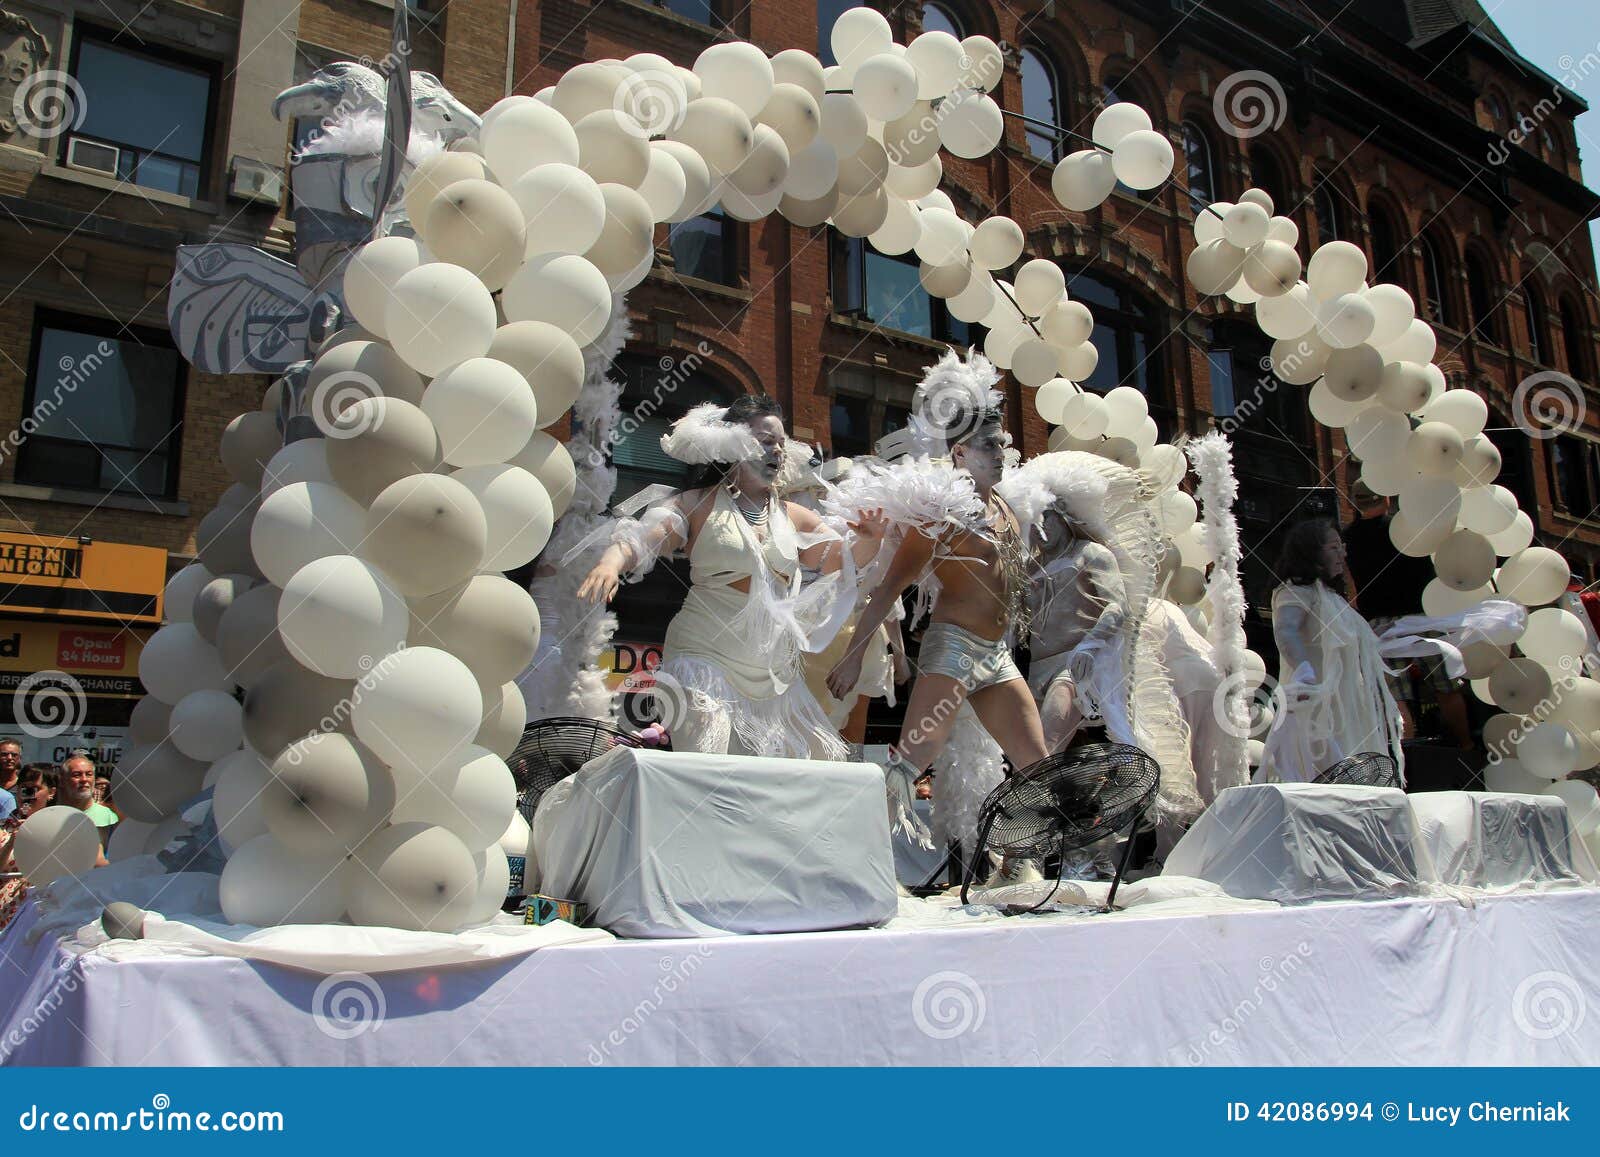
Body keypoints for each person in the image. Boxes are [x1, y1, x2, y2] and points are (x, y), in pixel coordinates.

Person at [579, 396, 885, 759]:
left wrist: (871, 538)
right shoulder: (696, 503)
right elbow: (641, 539)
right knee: (708, 762)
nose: (777, 452)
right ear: (733, 444)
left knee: (816, 762)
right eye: (766, 441)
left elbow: (843, 561)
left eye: (781, 445)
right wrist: (609, 564)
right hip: (704, 659)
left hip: (770, 671)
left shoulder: (793, 516)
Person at [827, 401, 1049, 814]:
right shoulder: (939, 514)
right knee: (910, 763)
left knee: (1037, 765)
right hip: (954, 650)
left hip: (996, 654)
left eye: (1001, 443)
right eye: (987, 445)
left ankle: (1022, 862)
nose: (999, 453)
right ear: (960, 453)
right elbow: (891, 586)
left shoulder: (1006, 507)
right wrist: (854, 656)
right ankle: (858, 856)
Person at [1257, 518, 1404, 783]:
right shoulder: (1295, 591)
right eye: (1333, 547)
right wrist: (1304, 674)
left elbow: (1357, 640)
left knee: (1354, 762)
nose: (1342, 554)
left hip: (1347, 702)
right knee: (1327, 767)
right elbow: (1286, 630)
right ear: (1311, 551)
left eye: (1342, 546)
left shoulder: (1331, 597)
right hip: (1318, 702)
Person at [58, 753, 116, 864]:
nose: (84, 779)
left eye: (89, 774)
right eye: (76, 775)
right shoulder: (54, 816)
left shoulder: (111, 816)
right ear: (63, 781)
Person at [0, 738, 20, 823]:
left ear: (19, 758)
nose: (9, 758)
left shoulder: (24, 785)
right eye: (4, 754)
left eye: (14, 755)